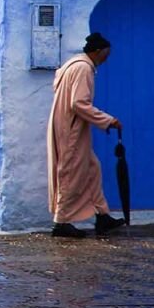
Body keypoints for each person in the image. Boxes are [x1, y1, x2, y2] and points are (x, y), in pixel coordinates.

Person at [47, 33, 127, 238]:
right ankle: (61, 222)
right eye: (106, 54)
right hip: (71, 130)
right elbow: (78, 103)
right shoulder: (84, 68)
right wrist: (108, 120)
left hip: (67, 126)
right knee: (70, 173)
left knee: (92, 169)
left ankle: (102, 216)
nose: (106, 59)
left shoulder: (72, 66)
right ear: (97, 51)